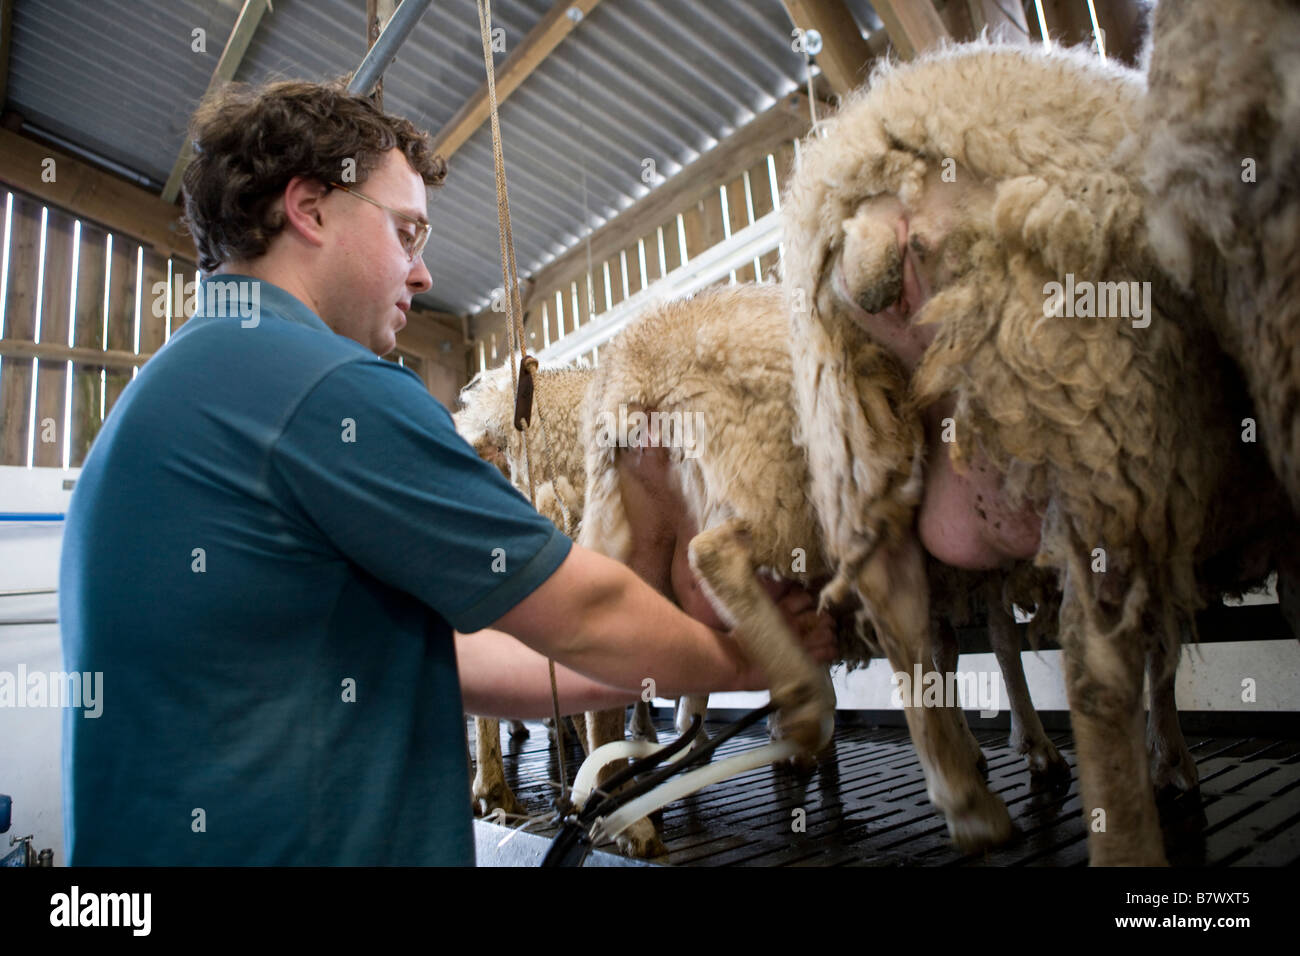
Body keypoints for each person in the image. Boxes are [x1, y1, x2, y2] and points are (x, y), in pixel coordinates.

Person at [59, 79, 835, 865]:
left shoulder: (167, 394)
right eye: (406, 232)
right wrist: (750, 656)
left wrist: (670, 660)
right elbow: (585, 612)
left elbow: (450, 657)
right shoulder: (326, 388)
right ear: (311, 209)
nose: (423, 274)